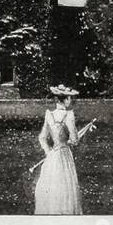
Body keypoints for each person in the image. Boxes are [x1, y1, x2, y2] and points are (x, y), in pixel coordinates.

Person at [33, 85, 94, 215]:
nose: (70, 101)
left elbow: (42, 138)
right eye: (69, 98)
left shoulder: (49, 115)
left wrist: (49, 152)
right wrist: (72, 139)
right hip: (64, 155)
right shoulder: (69, 115)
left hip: (53, 155)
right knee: (66, 185)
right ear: (65, 99)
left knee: (52, 184)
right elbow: (75, 140)